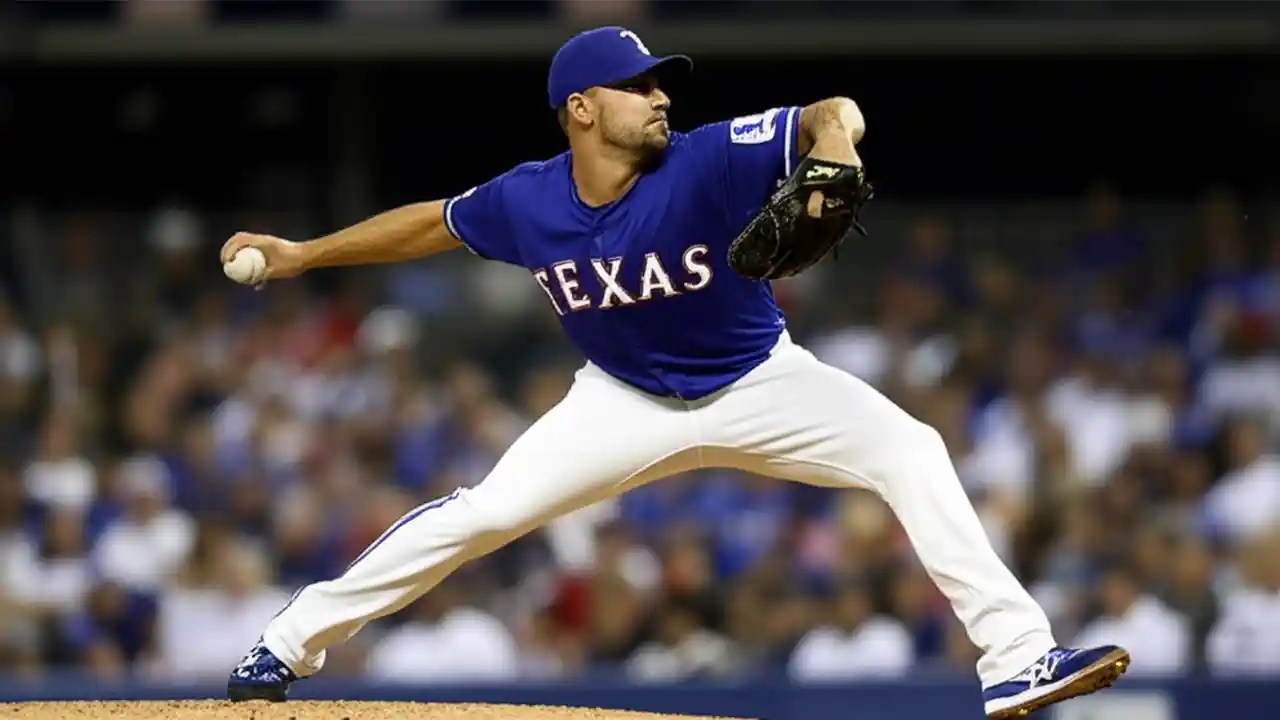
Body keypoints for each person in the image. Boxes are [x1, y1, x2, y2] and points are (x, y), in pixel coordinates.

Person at [222, 26, 1128, 719]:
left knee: (912, 449)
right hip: (620, 403)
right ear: (581, 107)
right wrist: (304, 255)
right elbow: (431, 223)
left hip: (760, 382)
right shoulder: (527, 199)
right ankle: (288, 643)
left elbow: (831, 111)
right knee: (484, 514)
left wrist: (838, 148)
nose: (661, 97)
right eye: (639, 85)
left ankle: (1015, 660)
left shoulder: (703, 156)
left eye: (663, 85)